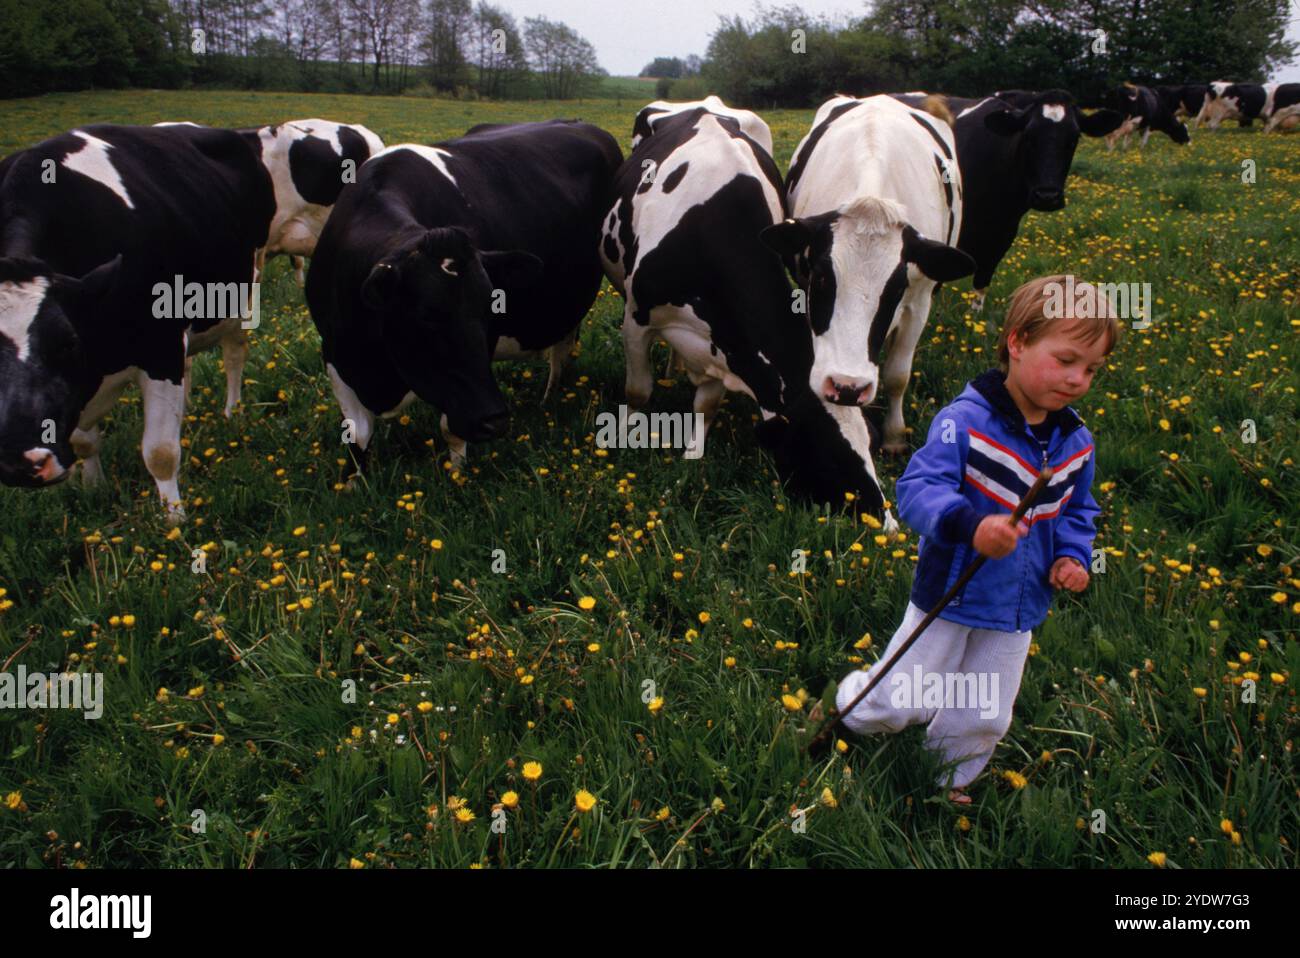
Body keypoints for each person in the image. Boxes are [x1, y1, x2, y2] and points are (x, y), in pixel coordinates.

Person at [819, 275, 1123, 804]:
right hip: (950, 594)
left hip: (1017, 605)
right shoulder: (964, 423)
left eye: (1092, 369)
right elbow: (917, 488)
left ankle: (946, 778)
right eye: (1067, 360)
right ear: (1018, 342)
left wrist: (1073, 555)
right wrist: (971, 526)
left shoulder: (1075, 443)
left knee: (985, 710)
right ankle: (849, 706)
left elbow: (1078, 508)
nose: (1078, 379)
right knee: (902, 699)